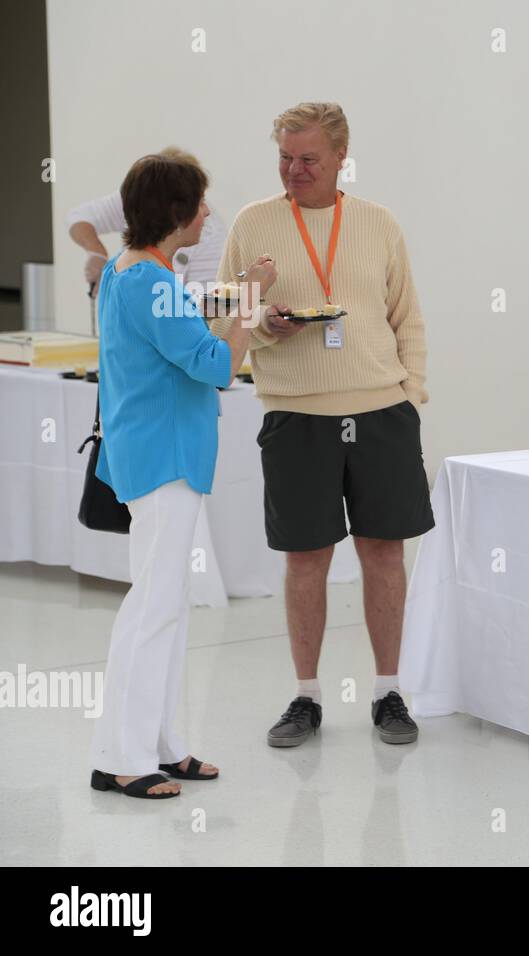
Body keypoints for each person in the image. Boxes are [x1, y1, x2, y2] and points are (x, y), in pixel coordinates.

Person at [209, 102, 432, 748]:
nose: (294, 170)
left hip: (381, 413)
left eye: (308, 159)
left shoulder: (378, 224)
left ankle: (389, 692)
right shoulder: (253, 225)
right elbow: (224, 319)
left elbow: (407, 319)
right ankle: (306, 698)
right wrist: (266, 330)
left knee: (384, 555)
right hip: (296, 416)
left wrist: (410, 396)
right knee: (306, 560)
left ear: (341, 157)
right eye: (285, 156)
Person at [89, 150, 277, 798]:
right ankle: (122, 756)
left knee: (164, 606)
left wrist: (237, 287)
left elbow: (185, 312)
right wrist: (252, 308)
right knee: (154, 608)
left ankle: (159, 744)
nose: (207, 213)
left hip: (152, 456)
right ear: (176, 212)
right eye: (199, 202)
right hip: (165, 459)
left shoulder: (128, 271)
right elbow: (216, 363)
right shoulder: (155, 283)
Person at [67, 151, 229, 297]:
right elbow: (79, 217)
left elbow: (198, 305)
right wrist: (96, 252)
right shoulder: (151, 279)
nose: (206, 211)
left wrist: (238, 304)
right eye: (199, 202)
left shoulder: (117, 272)